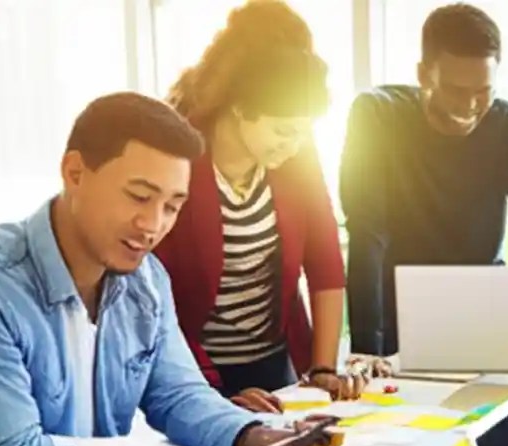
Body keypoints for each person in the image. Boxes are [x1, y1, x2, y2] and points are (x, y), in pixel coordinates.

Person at [0, 92, 338, 446]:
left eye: (172, 206)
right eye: (139, 196)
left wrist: (255, 437)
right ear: (74, 173)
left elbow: (178, 394)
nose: (153, 225)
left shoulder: (145, 280)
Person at [156, 0, 364, 409]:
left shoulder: (292, 152)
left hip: (274, 360)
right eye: (284, 130)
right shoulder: (180, 157)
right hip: (193, 365)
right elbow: (157, 296)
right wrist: (209, 392)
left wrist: (323, 368)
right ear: (240, 106)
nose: (296, 145)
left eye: (303, 132)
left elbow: (324, 262)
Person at [340, 3, 508, 360]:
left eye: (483, 91)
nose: (471, 105)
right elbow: (367, 232)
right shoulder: (377, 116)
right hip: (397, 316)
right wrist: (367, 351)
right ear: (423, 74)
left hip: (481, 309)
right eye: (456, 90)